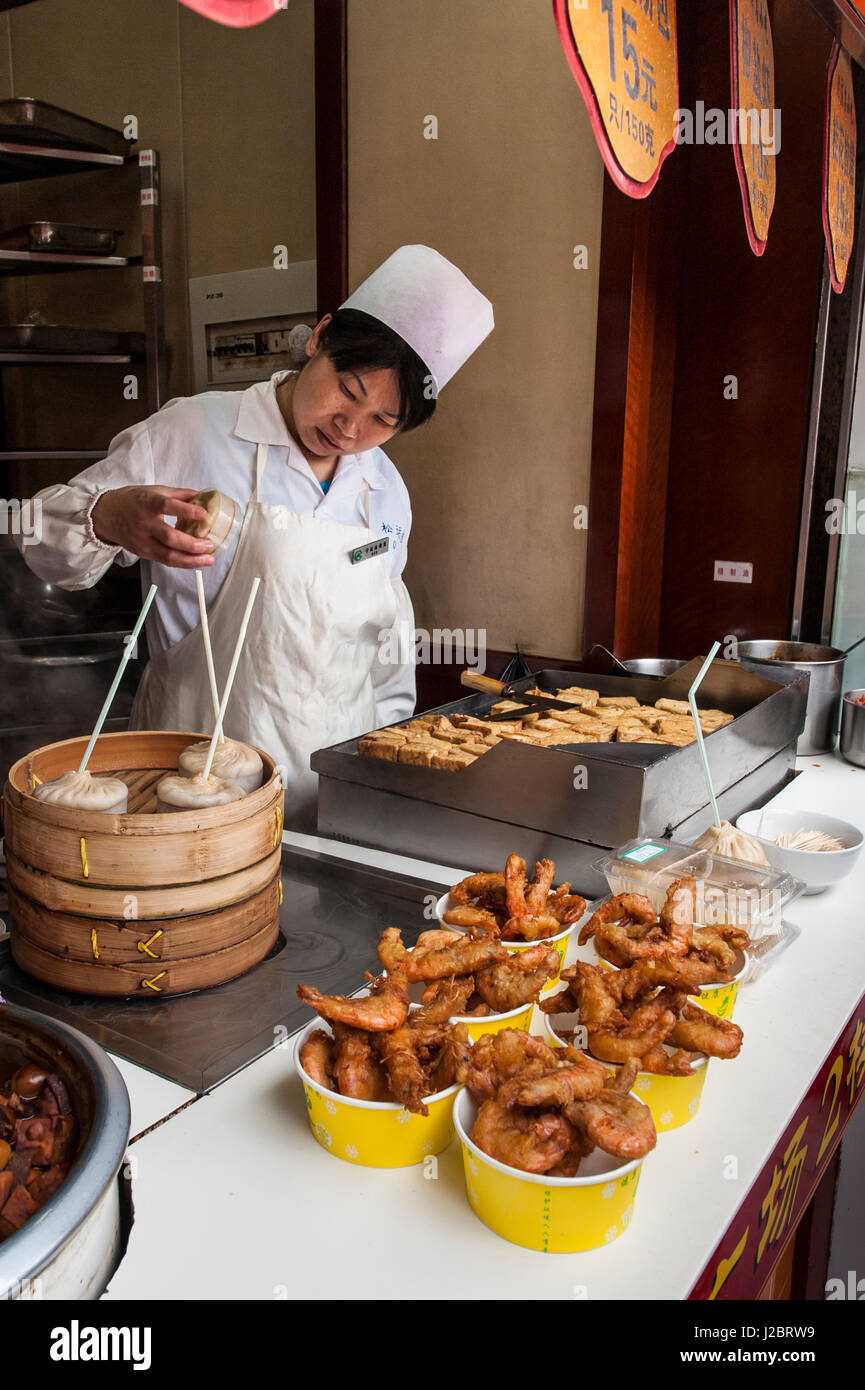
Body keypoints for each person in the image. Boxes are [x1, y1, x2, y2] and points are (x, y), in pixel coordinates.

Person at [18, 245, 494, 828]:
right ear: (319, 338)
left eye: (383, 421)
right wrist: (109, 517)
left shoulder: (384, 491)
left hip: (332, 794)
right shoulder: (194, 431)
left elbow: (384, 653)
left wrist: (377, 777)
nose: (349, 428)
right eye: (347, 390)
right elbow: (38, 539)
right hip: (198, 791)